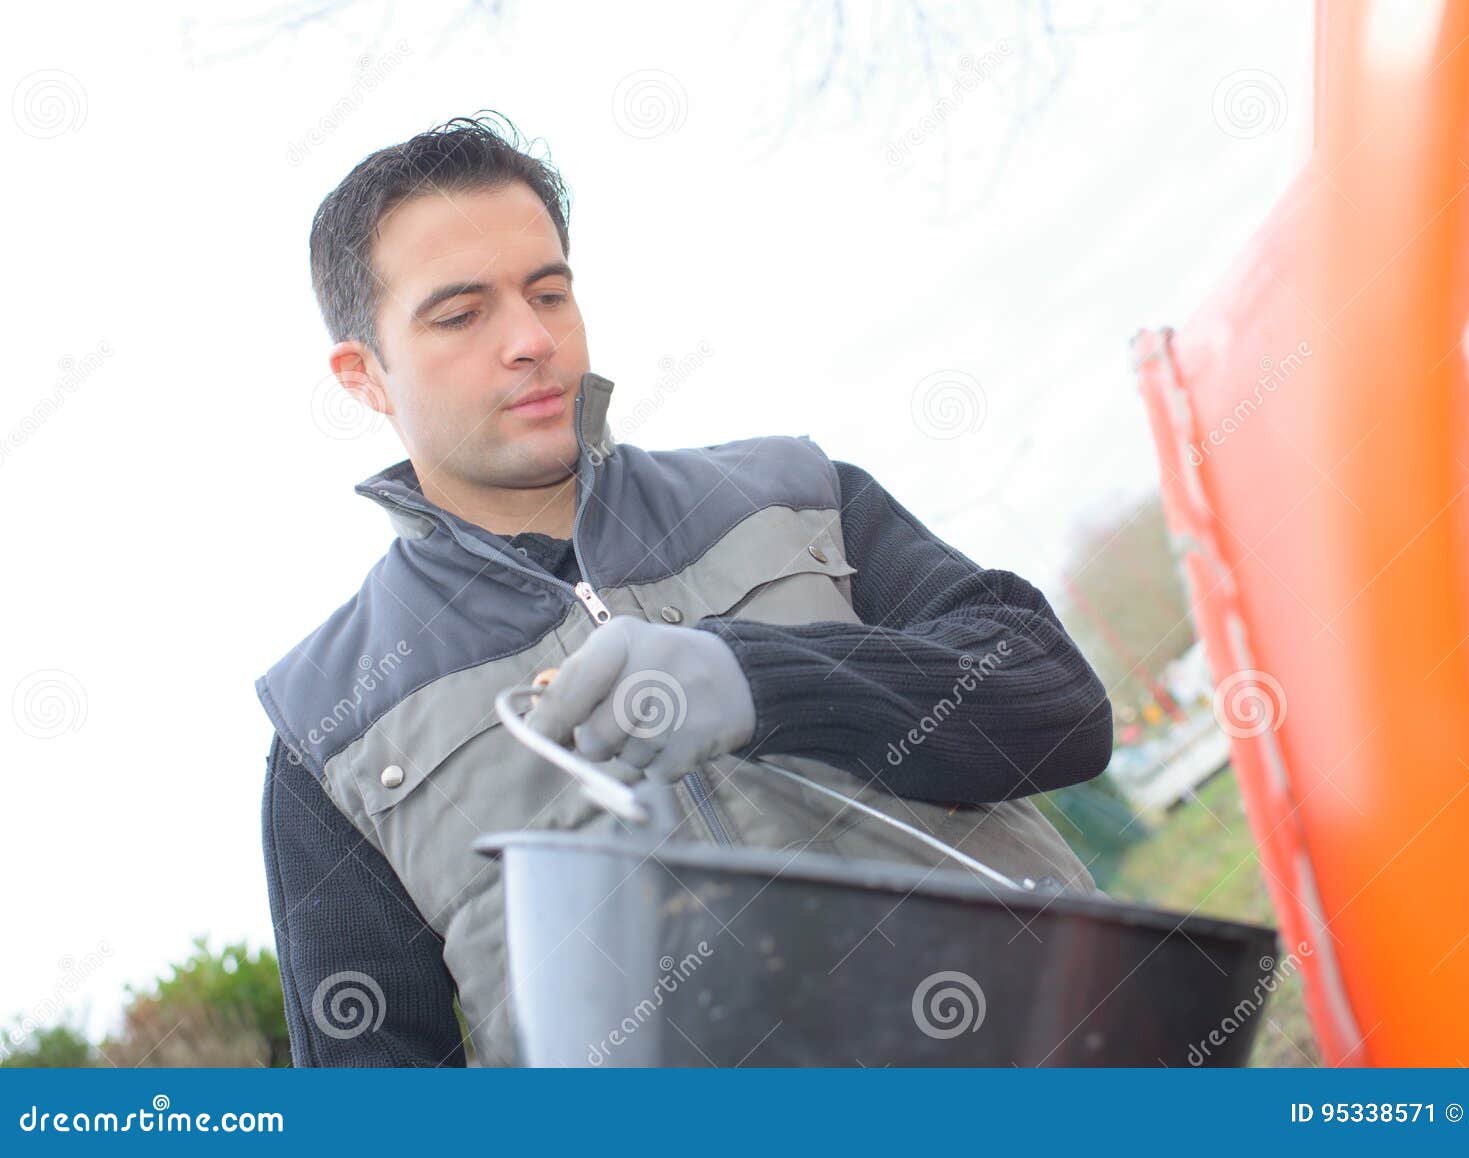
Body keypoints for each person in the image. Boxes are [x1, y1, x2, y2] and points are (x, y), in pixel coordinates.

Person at [259, 112, 1114, 1067]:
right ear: (363, 376)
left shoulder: (799, 493)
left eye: (549, 292)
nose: (532, 340)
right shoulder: (327, 732)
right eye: (461, 315)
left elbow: (1062, 709)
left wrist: (765, 681)